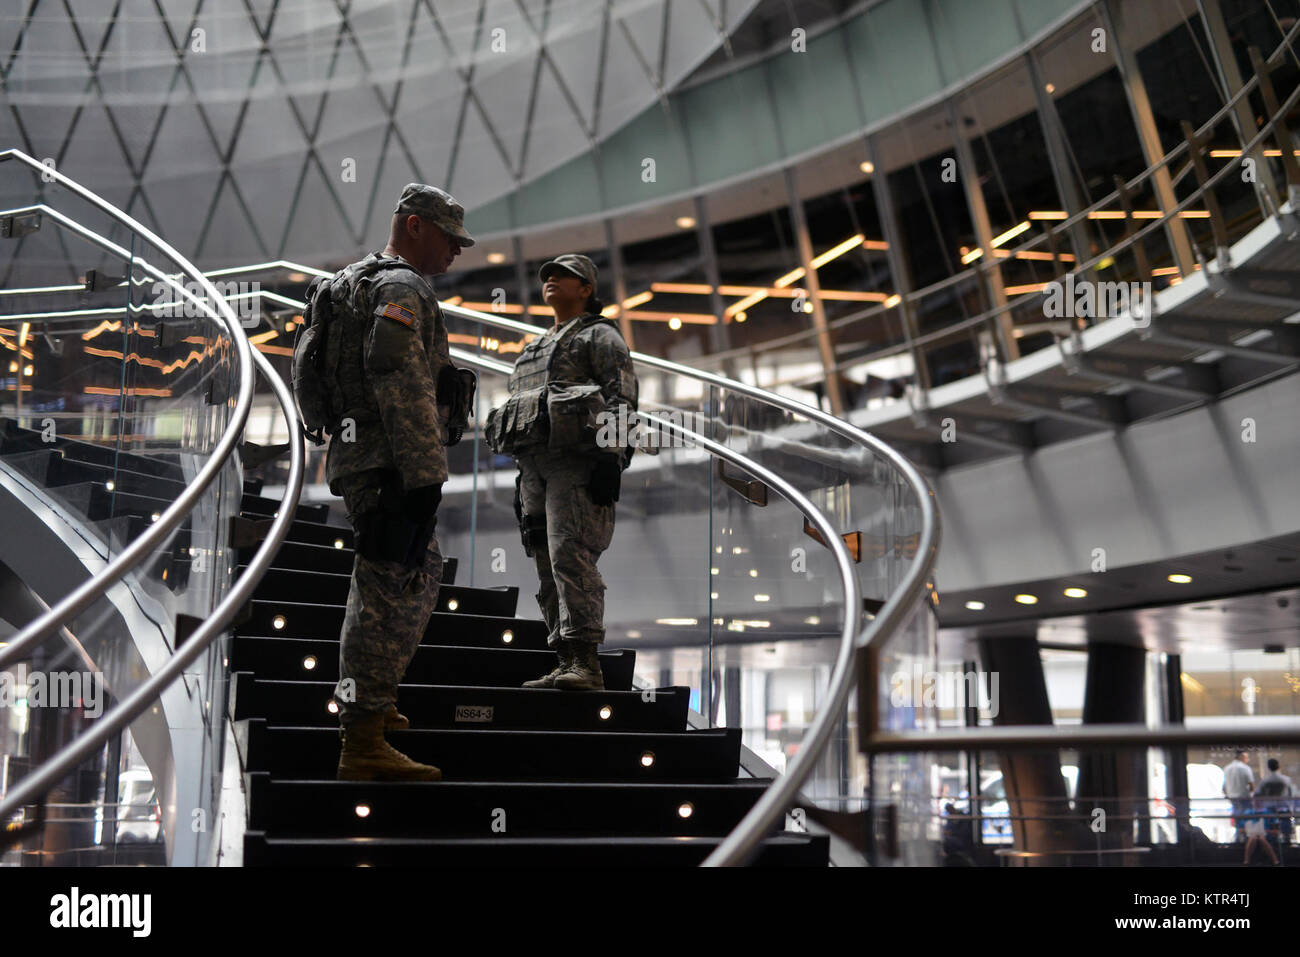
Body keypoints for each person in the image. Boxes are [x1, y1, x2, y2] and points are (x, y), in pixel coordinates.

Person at [325, 183, 474, 780]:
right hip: (392, 463)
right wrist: (425, 471)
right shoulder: (402, 288)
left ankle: (375, 704)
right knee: (384, 587)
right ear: (415, 226)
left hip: (365, 457)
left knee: (414, 573)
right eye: (448, 238)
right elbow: (398, 376)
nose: (456, 252)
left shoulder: (349, 282)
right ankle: (360, 741)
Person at [486, 254, 637, 691]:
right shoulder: (536, 348)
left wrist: (612, 457)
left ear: (586, 288)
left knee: (571, 555)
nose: (550, 280)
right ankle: (565, 657)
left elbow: (622, 397)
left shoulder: (600, 337)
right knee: (545, 561)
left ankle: (587, 662)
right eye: (547, 276)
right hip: (534, 467)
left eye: (563, 275)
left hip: (578, 463)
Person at [1224, 750, 1255, 843]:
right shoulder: (1245, 768)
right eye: (1246, 757)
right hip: (1244, 798)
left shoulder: (1227, 768)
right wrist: (1251, 794)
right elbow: (1251, 785)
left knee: (1237, 819)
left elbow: (1224, 787)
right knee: (1246, 819)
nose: (1248, 760)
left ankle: (1238, 838)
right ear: (1241, 757)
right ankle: (1245, 839)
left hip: (1232, 799)